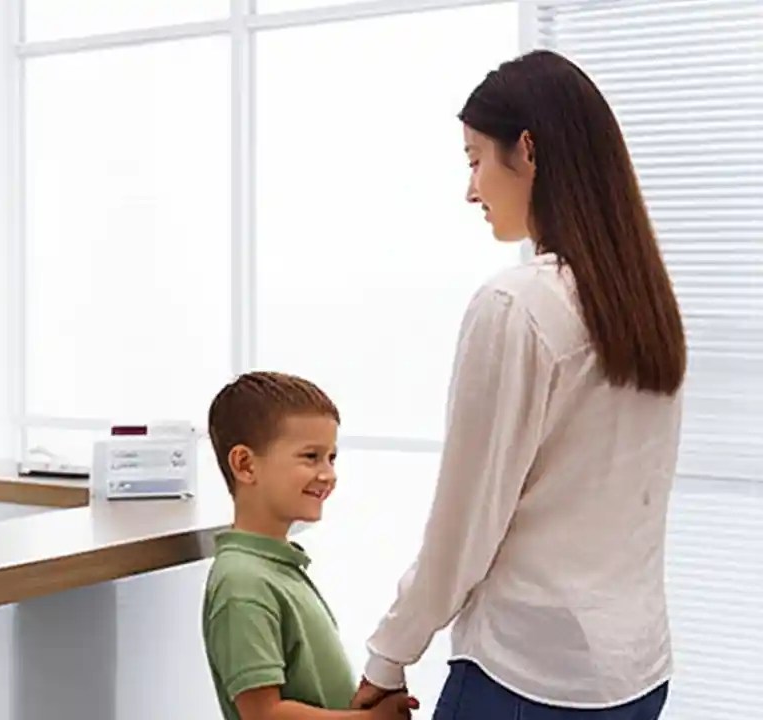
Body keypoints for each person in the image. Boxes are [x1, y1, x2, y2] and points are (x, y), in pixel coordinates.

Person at [351, 50, 686, 718]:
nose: (470, 189)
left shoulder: (518, 305)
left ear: (527, 151)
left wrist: (387, 658)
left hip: (529, 678)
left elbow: (462, 529)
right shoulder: (643, 304)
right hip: (636, 673)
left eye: (475, 159)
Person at [203, 371, 419, 720]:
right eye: (310, 457)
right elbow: (264, 715)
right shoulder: (242, 584)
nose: (328, 474)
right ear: (245, 464)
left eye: (331, 458)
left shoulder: (274, 570)